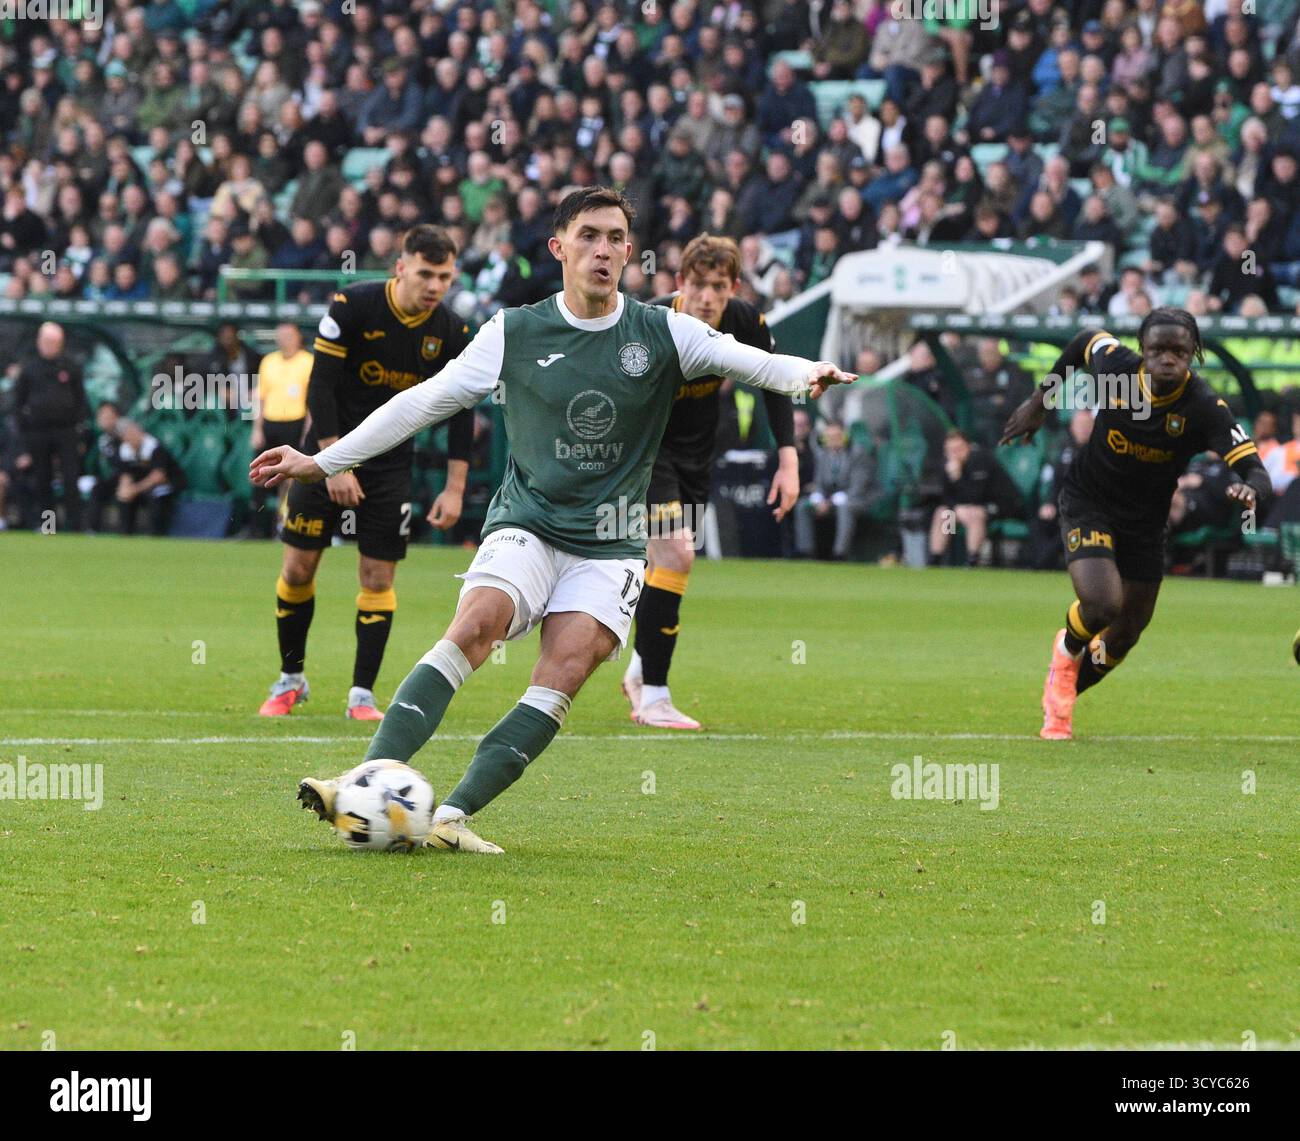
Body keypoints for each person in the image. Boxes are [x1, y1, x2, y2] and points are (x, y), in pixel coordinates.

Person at [250, 187, 854, 854]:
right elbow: (422, 402)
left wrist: (809, 375)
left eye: (617, 237)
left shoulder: (665, 331)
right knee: (476, 623)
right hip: (528, 522)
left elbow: (759, 363)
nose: (604, 249)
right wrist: (322, 459)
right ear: (558, 247)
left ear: (630, 250)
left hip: (611, 544)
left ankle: (448, 815)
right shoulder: (514, 330)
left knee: (562, 672)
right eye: (590, 235)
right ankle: (361, 783)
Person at [999, 309, 1272, 740]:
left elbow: (1256, 471)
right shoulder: (1118, 370)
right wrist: (1040, 402)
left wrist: (1251, 490)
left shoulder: (1203, 407)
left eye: (1179, 351)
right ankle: (1066, 653)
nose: (1167, 359)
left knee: (1126, 632)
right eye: (1157, 350)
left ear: (1193, 353)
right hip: (1089, 500)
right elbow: (1085, 339)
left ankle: (1063, 689)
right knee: (1103, 605)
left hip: (1145, 522)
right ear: (1142, 351)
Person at [259, 225, 475, 721]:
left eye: (444, 276)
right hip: (323, 455)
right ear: (401, 268)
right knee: (297, 569)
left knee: (377, 576)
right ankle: (290, 679)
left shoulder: (452, 330)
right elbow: (321, 387)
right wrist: (334, 462)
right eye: (425, 273)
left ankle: (362, 695)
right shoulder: (352, 305)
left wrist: (455, 487)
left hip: (391, 466)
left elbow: (463, 410)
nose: (435, 286)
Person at [621, 234, 799, 731]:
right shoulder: (651, 322)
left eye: (717, 287)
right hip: (648, 455)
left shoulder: (744, 321)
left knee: (668, 566)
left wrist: (789, 462)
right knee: (677, 554)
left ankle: (640, 668)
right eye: (697, 285)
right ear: (681, 282)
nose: (706, 297)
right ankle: (654, 694)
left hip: (697, 460)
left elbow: (776, 381)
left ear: (734, 287)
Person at [13, 322, 86, 533]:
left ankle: (75, 526)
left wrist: (78, 427)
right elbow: (18, 403)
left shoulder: (71, 367)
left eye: (54, 342)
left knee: (71, 478)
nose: (49, 346)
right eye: (46, 341)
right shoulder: (30, 369)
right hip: (38, 432)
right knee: (42, 479)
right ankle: (48, 526)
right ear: (38, 342)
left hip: (66, 431)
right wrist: (25, 430)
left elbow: (81, 400)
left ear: (61, 343)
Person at [250, 322, 312, 536]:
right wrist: (256, 429)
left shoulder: (307, 361)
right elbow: (260, 397)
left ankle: (286, 523)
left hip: (294, 423)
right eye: (280, 334)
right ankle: (257, 527)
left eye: (288, 334)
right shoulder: (269, 361)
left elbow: (312, 401)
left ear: (298, 337)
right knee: (259, 473)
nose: (284, 338)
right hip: (270, 424)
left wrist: (307, 432)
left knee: (290, 477)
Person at [927, 430, 1022, 567]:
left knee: (973, 514)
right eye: (951, 451)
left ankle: (972, 560)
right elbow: (946, 497)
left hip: (1000, 507)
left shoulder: (980, 459)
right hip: (964, 510)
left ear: (968, 446)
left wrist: (957, 477)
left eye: (959, 449)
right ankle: (936, 559)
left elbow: (976, 497)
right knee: (943, 514)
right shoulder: (947, 465)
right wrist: (955, 508)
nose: (955, 454)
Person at [112, 419, 186, 536]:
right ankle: (125, 533)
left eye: (134, 432)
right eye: (127, 434)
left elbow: (158, 477)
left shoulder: (154, 447)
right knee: (124, 497)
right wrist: (125, 490)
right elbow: (125, 474)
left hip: (167, 483)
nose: (132, 436)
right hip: (143, 485)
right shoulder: (124, 450)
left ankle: (156, 534)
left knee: (156, 495)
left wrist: (135, 490)